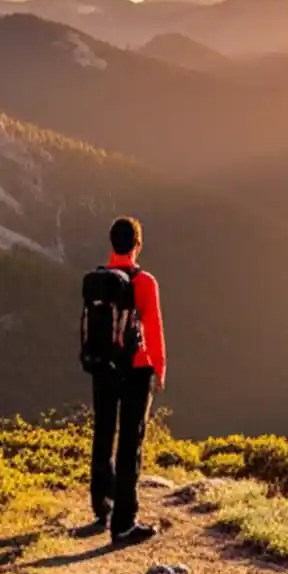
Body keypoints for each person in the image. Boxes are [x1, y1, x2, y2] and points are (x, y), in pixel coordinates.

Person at [90, 216, 167, 546]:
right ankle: (124, 523)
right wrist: (159, 367)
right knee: (130, 443)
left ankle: (102, 506)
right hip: (135, 368)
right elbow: (153, 328)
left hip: (103, 366)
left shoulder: (98, 278)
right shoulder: (145, 281)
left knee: (104, 433)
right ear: (138, 244)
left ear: (112, 243)